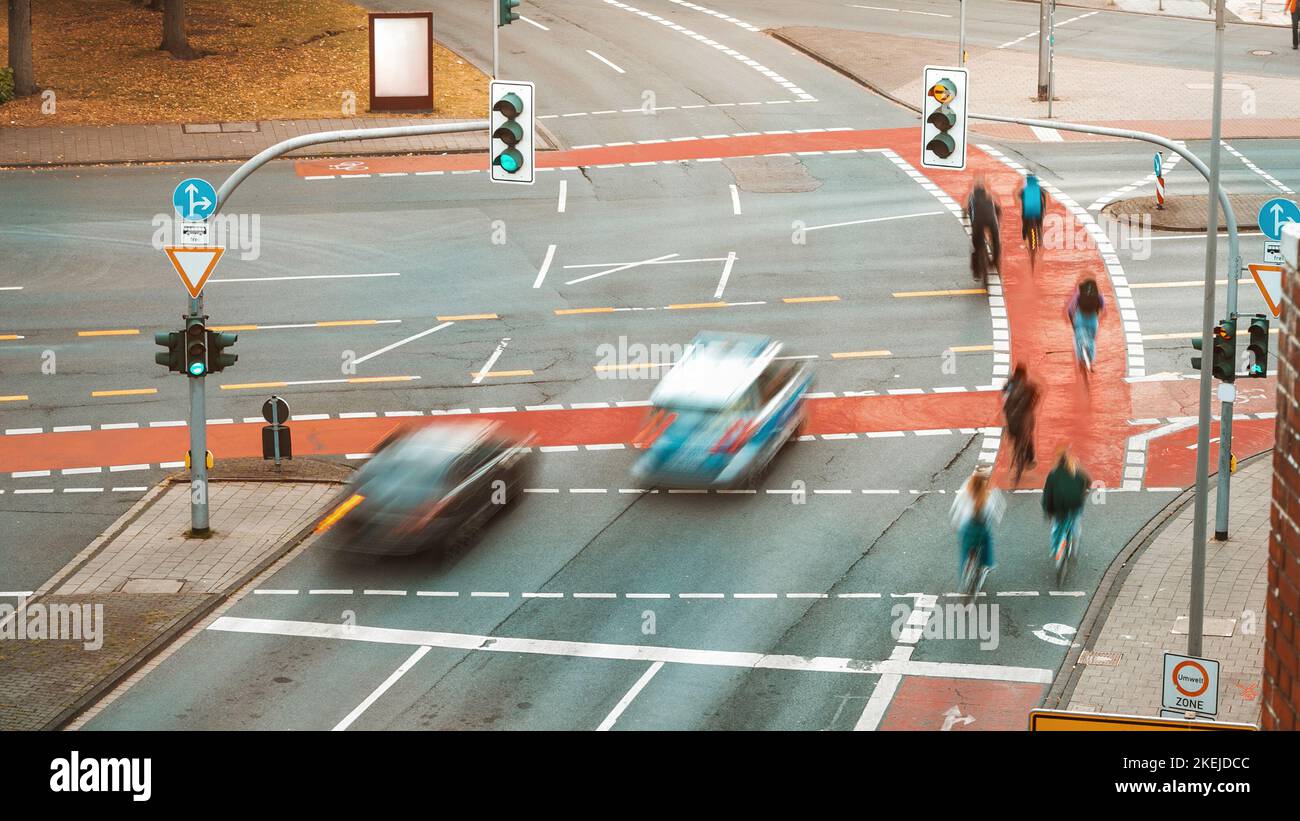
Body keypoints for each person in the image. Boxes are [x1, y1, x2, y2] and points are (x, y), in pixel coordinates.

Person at [950, 467, 1005, 583]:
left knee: (964, 551)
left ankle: (964, 574)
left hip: (966, 529)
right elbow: (995, 513)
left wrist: (955, 524)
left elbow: (956, 507)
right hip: (980, 530)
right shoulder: (989, 495)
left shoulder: (966, 487)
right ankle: (987, 564)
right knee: (987, 540)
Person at [1042, 448, 1090, 563]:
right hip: (1075, 504)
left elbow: (1048, 494)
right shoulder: (1077, 472)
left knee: (1057, 525)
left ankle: (1056, 549)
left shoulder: (1053, 474)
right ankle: (1074, 548)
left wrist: (1048, 511)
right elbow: (1087, 483)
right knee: (1075, 523)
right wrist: (1083, 493)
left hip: (1059, 506)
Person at [1002, 364, 1040, 483]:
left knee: (1016, 439)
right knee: (1027, 437)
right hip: (1025, 418)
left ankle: (1025, 461)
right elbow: (1037, 395)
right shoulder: (1029, 386)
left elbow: (1004, 396)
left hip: (1012, 419)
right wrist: (1031, 406)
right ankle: (1029, 458)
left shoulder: (1010, 384)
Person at [966, 176, 1002, 281]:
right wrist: (997, 224)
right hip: (991, 221)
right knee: (996, 242)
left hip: (977, 223)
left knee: (976, 246)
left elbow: (969, 212)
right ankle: (994, 262)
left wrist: (971, 226)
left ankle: (977, 273)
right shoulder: (990, 196)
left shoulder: (971, 198)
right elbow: (998, 210)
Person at [1066, 277, 1105, 373]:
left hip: (1080, 320)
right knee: (1091, 341)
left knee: (1078, 341)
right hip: (1092, 320)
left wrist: (1073, 324)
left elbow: (1070, 310)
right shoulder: (1099, 296)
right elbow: (1102, 308)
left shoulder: (1079, 295)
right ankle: (1090, 362)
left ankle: (1081, 360)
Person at [1018, 173, 1047, 250]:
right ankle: (1040, 242)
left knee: (1024, 221)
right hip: (1039, 212)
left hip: (1028, 212)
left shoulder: (1025, 189)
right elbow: (1044, 196)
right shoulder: (1039, 188)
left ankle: (1025, 237)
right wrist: (1044, 209)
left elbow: (1020, 196)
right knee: (1039, 225)